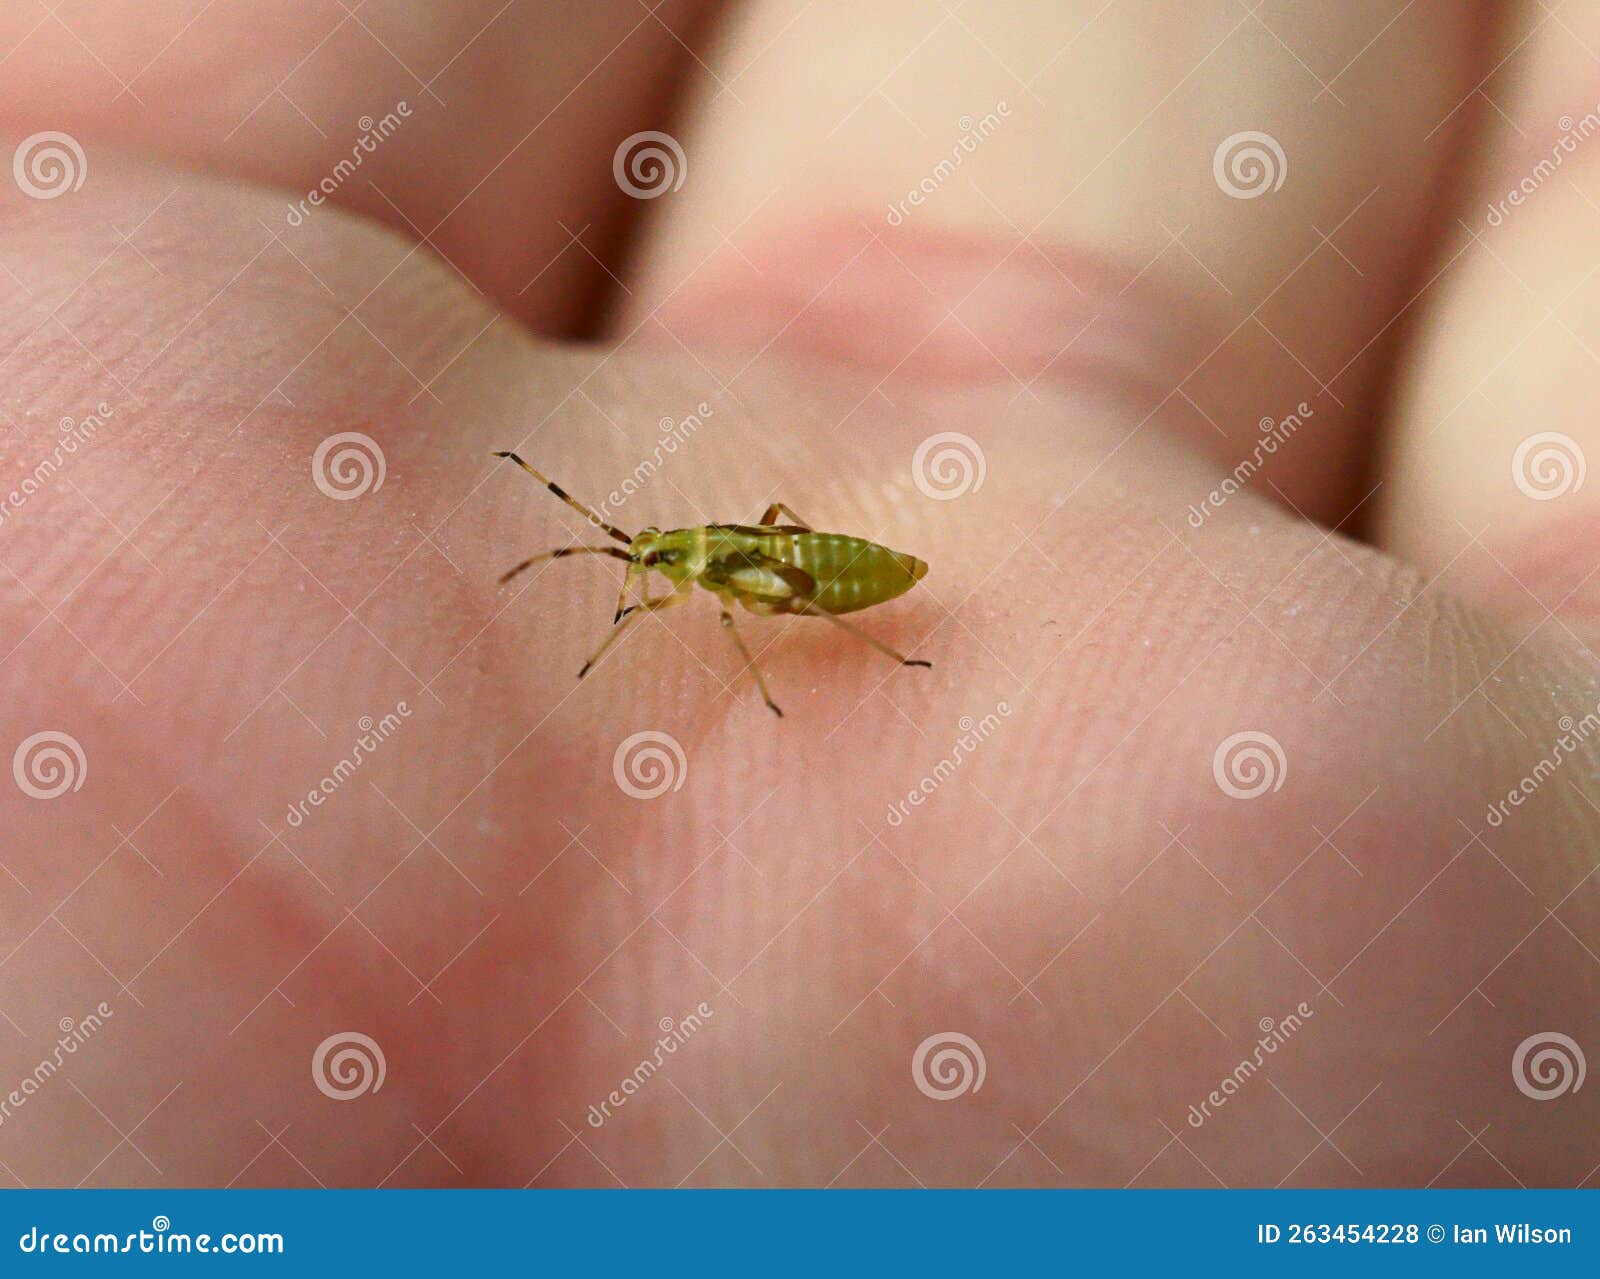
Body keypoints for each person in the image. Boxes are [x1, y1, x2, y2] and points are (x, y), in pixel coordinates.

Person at [1, 1, 1593, 1187]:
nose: (630, 579)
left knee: (765, 611)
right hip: (813, 579)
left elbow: (722, 606)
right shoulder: (684, 569)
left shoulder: (719, 581)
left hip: (840, 584)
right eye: (633, 571)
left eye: (636, 568)